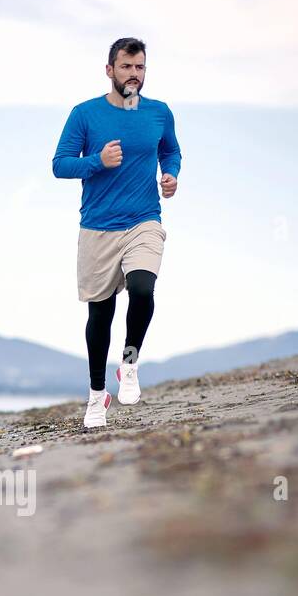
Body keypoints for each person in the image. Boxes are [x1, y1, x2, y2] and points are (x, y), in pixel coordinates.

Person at [52, 37, 181, 427]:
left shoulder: (159, 113)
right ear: (110, 70)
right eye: (126, 67)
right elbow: (60, 165)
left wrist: (170, 173)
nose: (133, 74)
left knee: (143, 289)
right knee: (100, 315)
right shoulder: (85, 114)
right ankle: (96, 396)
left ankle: (129, 363)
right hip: (98, 228)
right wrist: (98, 161)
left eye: (140, 67)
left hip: (143, 219)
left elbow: (170, 150)